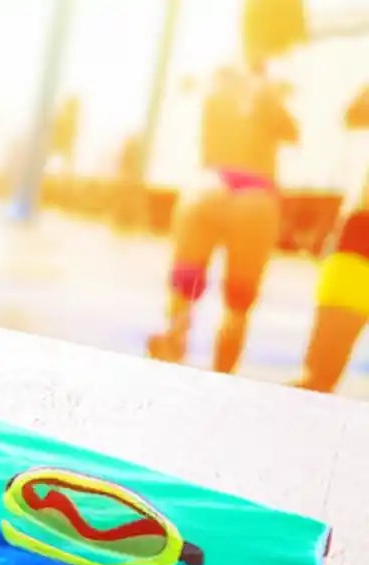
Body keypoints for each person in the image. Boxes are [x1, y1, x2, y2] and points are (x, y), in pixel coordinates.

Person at [147, 0, 305, 373]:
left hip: (208, 184)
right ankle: (222, 383)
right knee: (237, 305)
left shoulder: (217, 69)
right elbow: (291, 132)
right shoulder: (275, 78)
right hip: (255, 192)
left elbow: (195, 106)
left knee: (182, 290)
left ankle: (176, 332)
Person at [291, 88, 369, 393]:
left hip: (360, 237)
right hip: (360, 237)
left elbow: (355, 112)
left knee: (318, 376)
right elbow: (354, 113)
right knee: (320, 375)